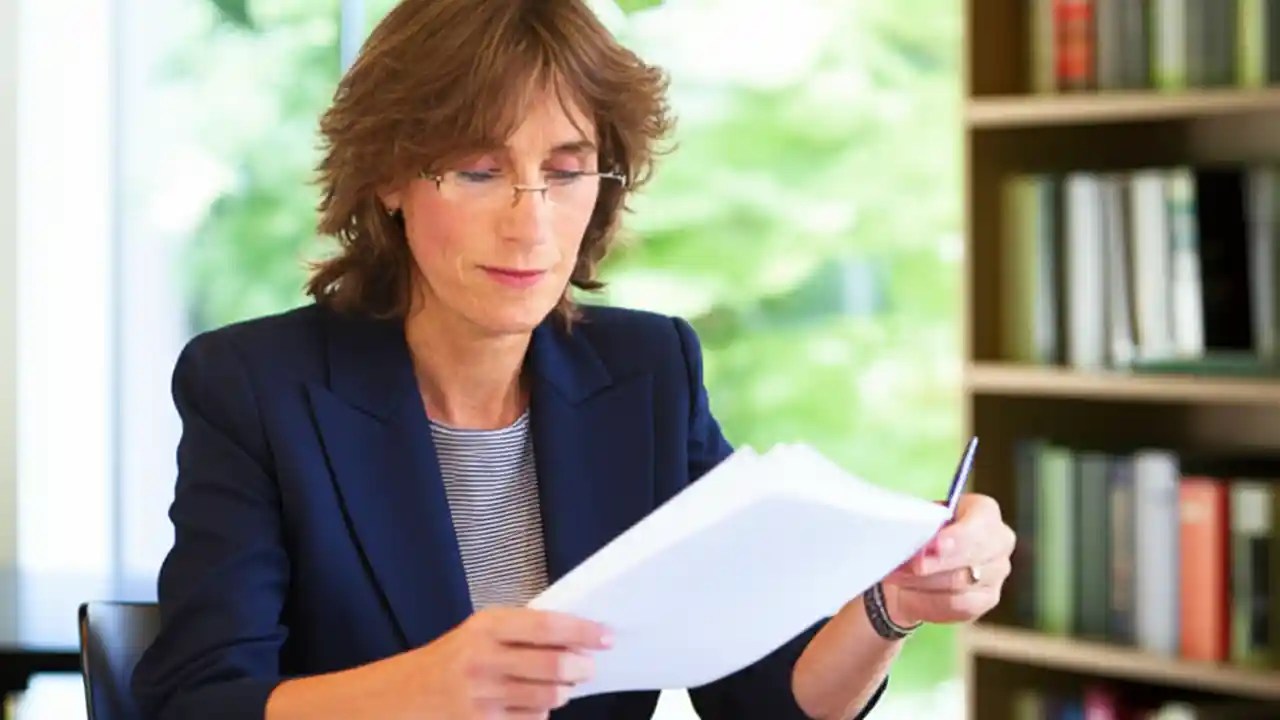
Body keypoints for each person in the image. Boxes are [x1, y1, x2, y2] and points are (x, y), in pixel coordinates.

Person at [130, 1, 1017, 718]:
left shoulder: (647, 372)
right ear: (391, 181)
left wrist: (891, 603)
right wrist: (422, 692)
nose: (532, 222)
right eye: (477, 172)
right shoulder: (255, 388)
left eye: (565, 171)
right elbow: (198, 703)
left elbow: (765, 701)